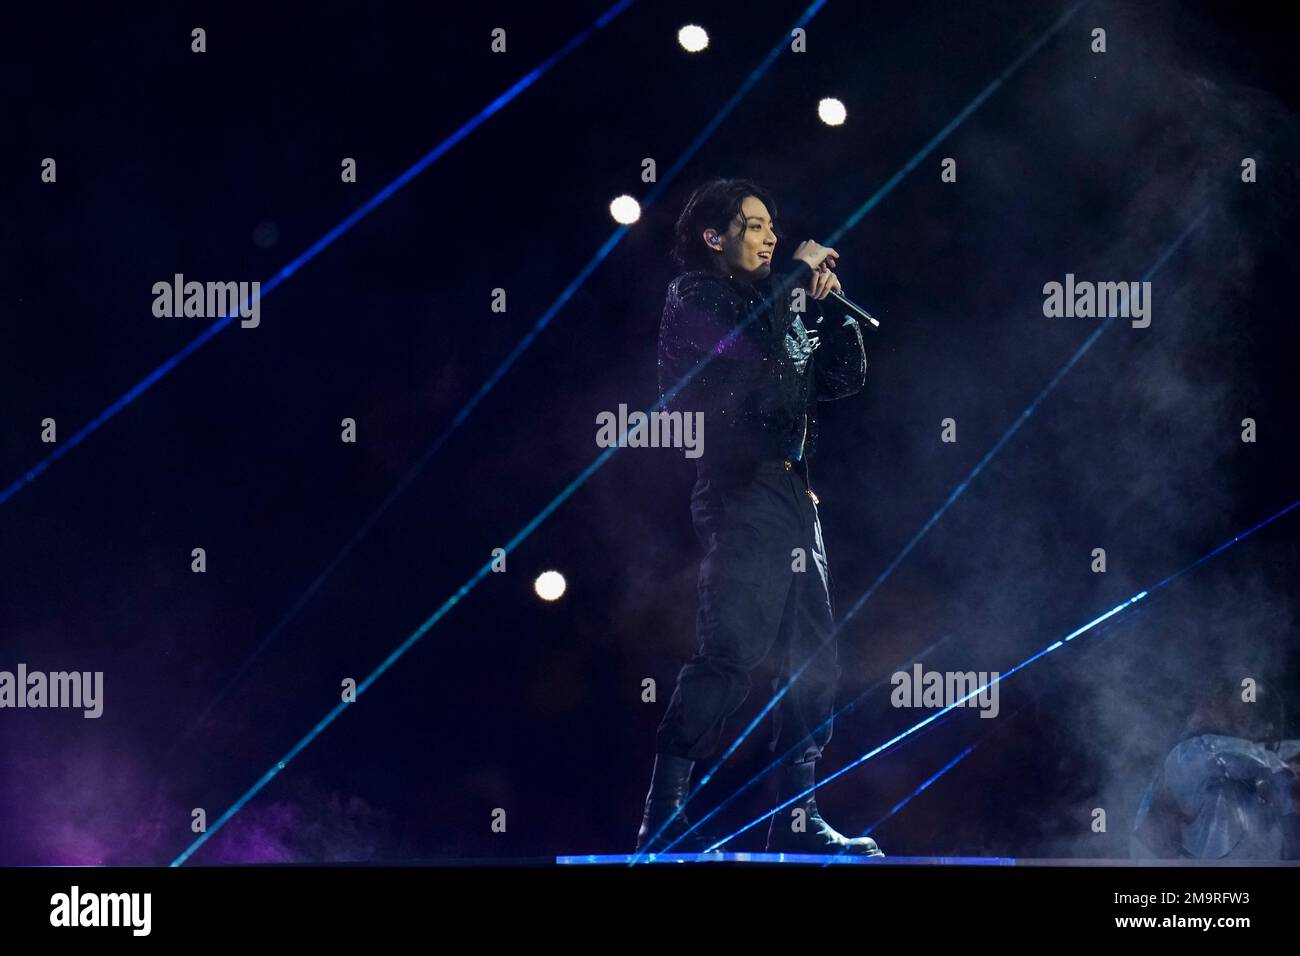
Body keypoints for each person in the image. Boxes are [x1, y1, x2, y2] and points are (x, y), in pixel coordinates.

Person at [636, 177, 881, 855]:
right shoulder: (698, 297)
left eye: (772, 225)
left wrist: (826, 309)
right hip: (738, 491)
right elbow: (747, 345)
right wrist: (798, 278)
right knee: (734, 650)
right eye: (752, 226)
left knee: (817, 660)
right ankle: (663, 817)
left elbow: (838, 379)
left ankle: (797, 820)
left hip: (793, 495)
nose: (771, 236)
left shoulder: (781, 304)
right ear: (715, 238)